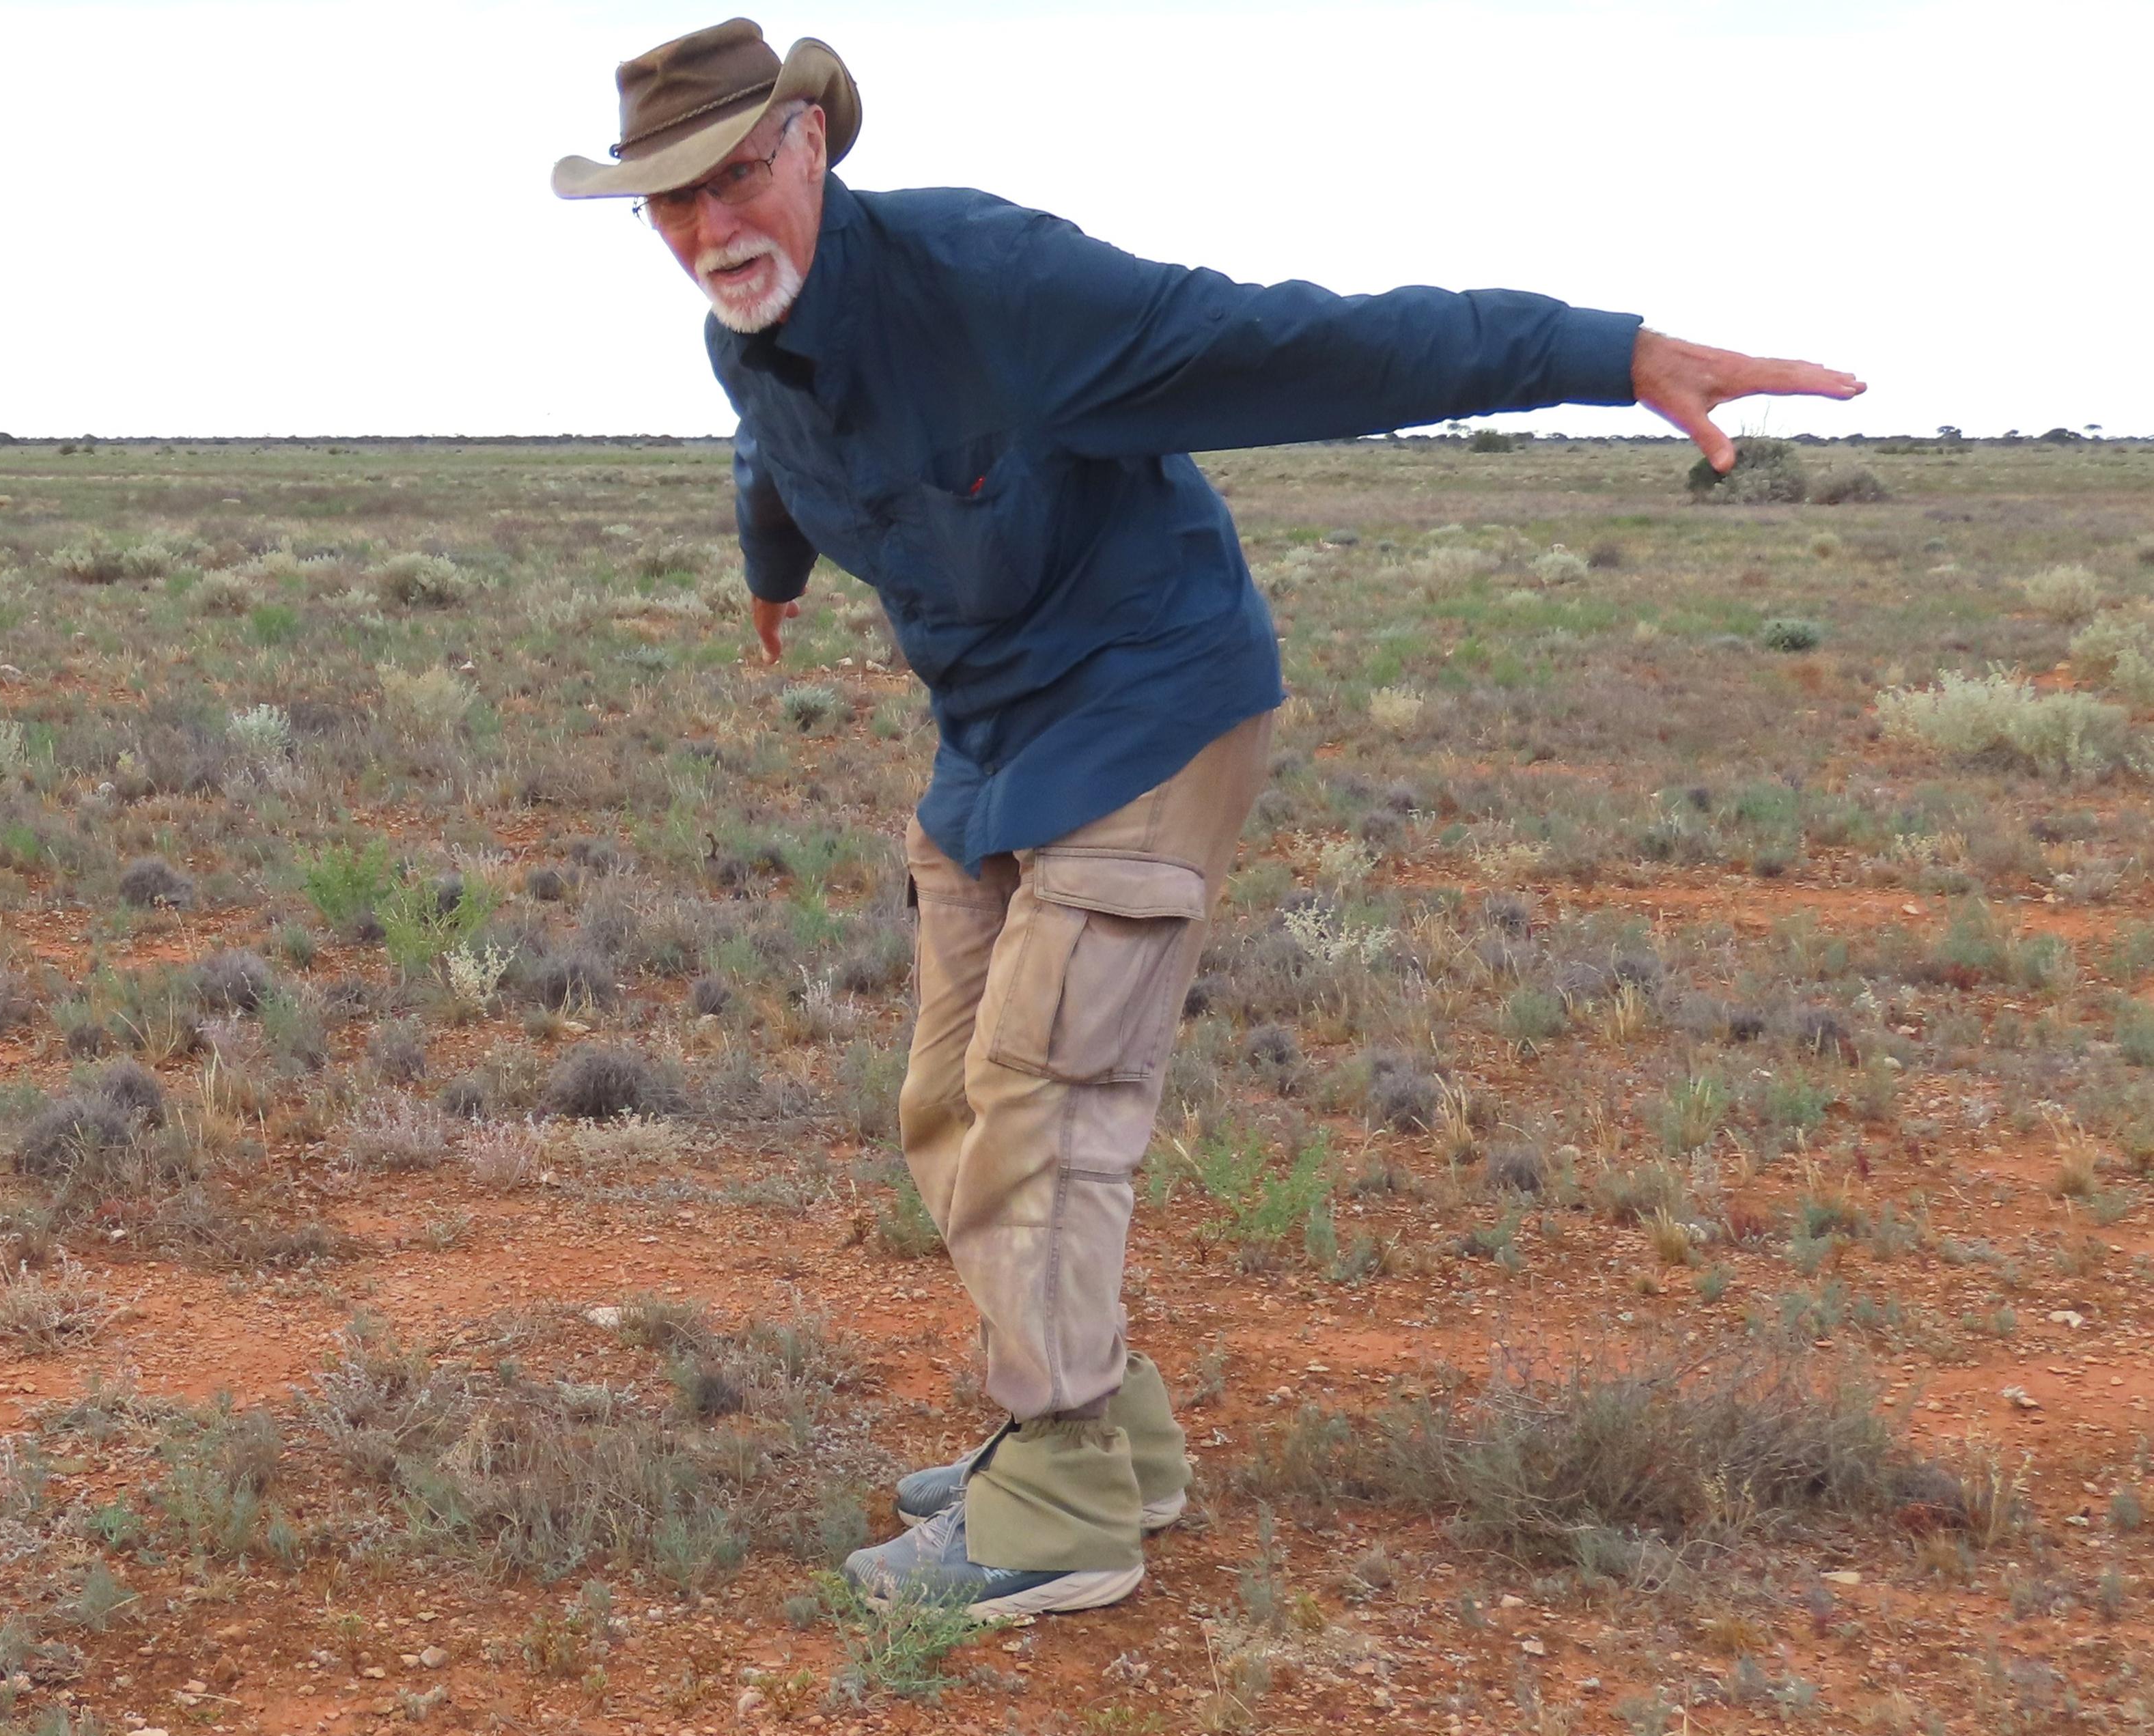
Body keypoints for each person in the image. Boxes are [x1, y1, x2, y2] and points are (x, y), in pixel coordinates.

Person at [555, 20, 1863, 1619]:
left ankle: (1058, 1507)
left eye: (735, 176)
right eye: (667, 206)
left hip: (1151, 698)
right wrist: (770, 583)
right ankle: (1102, 1432)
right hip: (989, 740)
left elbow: (1301, 343)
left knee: (1044, 1093)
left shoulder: (1000, 284)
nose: (707, 231)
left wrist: (1607, 351)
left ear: (811, 147)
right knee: (951, 1099)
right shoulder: (744, 332)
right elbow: (778, 451)